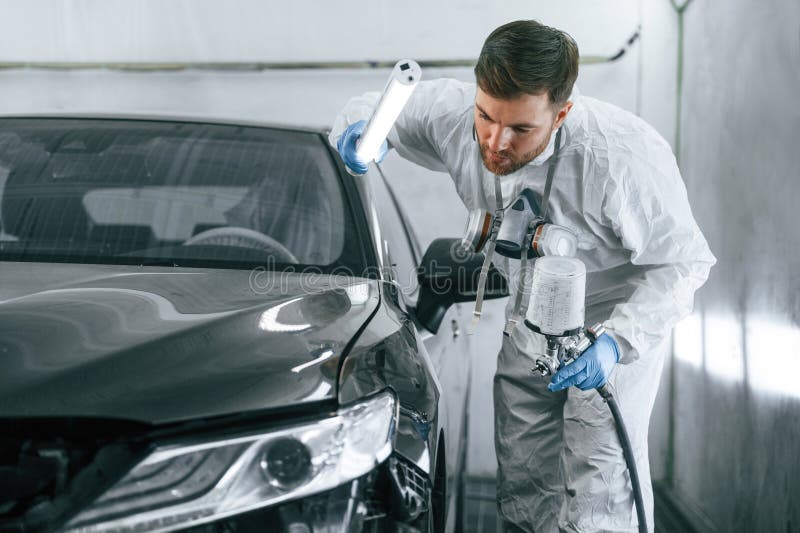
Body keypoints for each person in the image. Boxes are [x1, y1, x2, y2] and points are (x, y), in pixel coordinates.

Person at [330, 20, 715, 533]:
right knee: (523, 481)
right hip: (527, 319)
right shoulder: (455, 115)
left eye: (520, 129)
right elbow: (374, 109)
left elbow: (684, 262)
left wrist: (616, 342)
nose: (495, 142)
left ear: (562, 114)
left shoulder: (621, 157)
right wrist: (361, 135)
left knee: (598, 491)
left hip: (609, 328)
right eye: (486, 117)